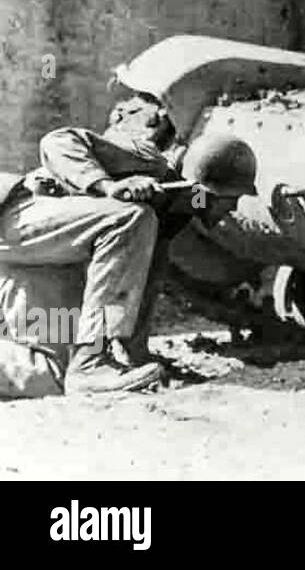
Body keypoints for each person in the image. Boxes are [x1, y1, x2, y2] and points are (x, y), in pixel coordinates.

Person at [0, 126, 257, 395]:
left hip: (42, 258)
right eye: (231, 199)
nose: (234, 208)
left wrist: (138, 357)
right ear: (201, 190)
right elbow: (57, 140)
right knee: (133, 217)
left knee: (50, 373)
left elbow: (142, 277)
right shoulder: (149, 162)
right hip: (22, 218)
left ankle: (87, 363)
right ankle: (90, 364)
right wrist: (108, 186)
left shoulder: (177, 208)